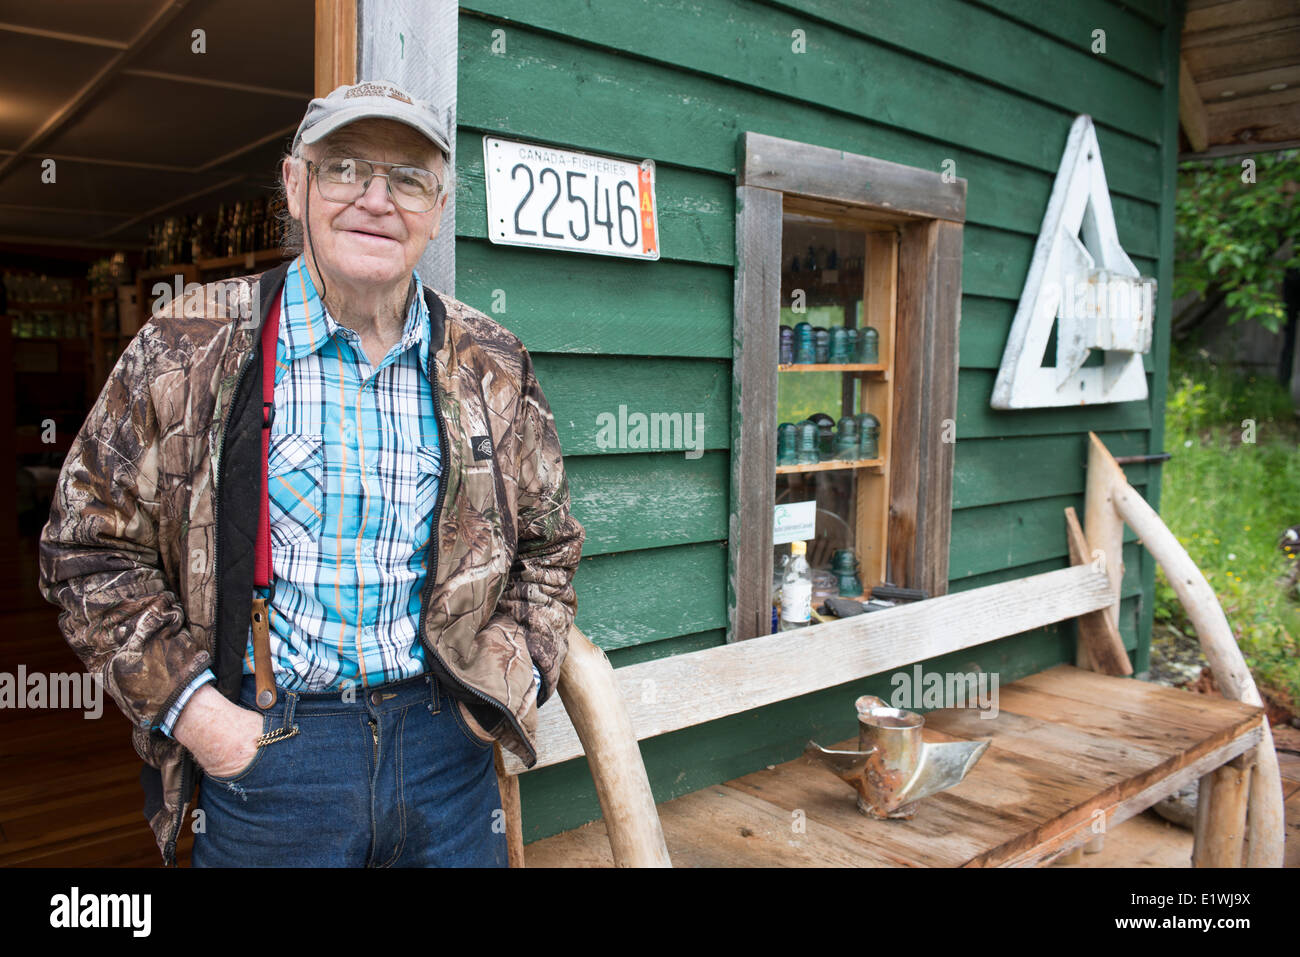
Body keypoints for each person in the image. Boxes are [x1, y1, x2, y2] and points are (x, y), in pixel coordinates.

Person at [38, 80, 585, 867]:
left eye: (407, 178)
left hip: (448, 754)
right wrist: (200, 719)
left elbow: (550, 545)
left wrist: (500, 680)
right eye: (345, 169)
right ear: (295, 185)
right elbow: (85, 547)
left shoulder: (490, 361)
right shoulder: (189, 342)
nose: (375, 198)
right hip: (270, 756)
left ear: (438, 207)